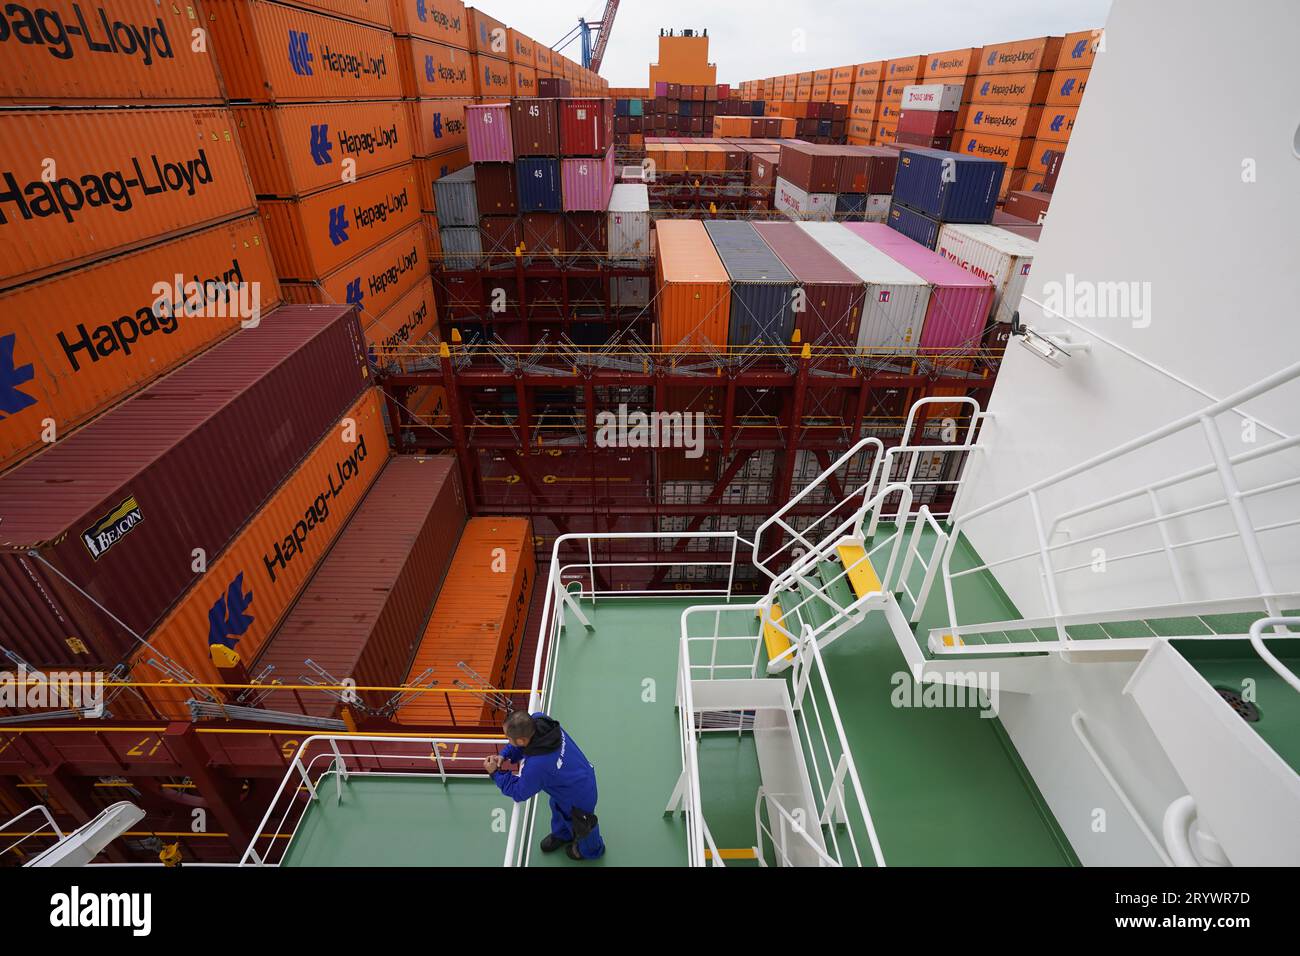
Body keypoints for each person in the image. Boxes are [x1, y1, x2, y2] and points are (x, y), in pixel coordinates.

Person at [484, 710, 606, 861]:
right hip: (572, 776)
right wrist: (504, 755)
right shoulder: (540, 720)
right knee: (557, 806)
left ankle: (592, 850)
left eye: (508, 738)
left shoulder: (538, 765)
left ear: (521, 740)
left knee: (583, 822)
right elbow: (525, 743)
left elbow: (518, 792)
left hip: (580, 794)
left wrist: (495, 773)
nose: (508, 741)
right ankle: (563, 834)